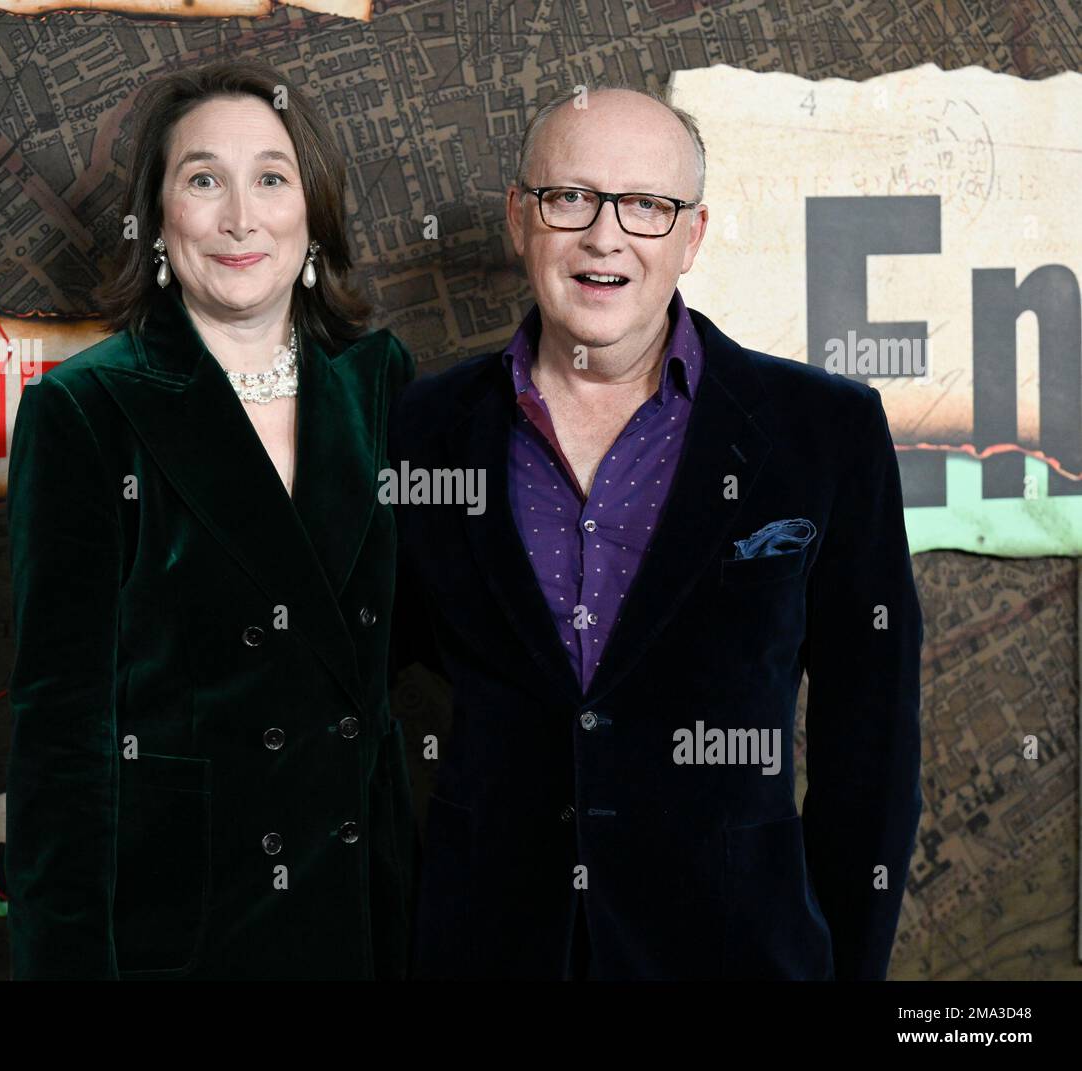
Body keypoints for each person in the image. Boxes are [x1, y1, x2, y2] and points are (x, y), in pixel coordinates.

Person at [389, 83, 923, 980]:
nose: (606, 236)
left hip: (739, 955)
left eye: (646, 205)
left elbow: (869, 747)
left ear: (692, 235)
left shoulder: (824, 432)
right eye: (571, 198)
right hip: (483, 954)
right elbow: (356, 690)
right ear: (522, 219)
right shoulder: (421, 427)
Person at [5, 59, 417, 980]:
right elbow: (59, 745)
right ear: (159, 222)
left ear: (312, 212)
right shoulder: (85, 412)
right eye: (204, 180)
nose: (240, 217)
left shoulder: (380, 381)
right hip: (185, 932)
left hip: (365, 912)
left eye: (271, 177)